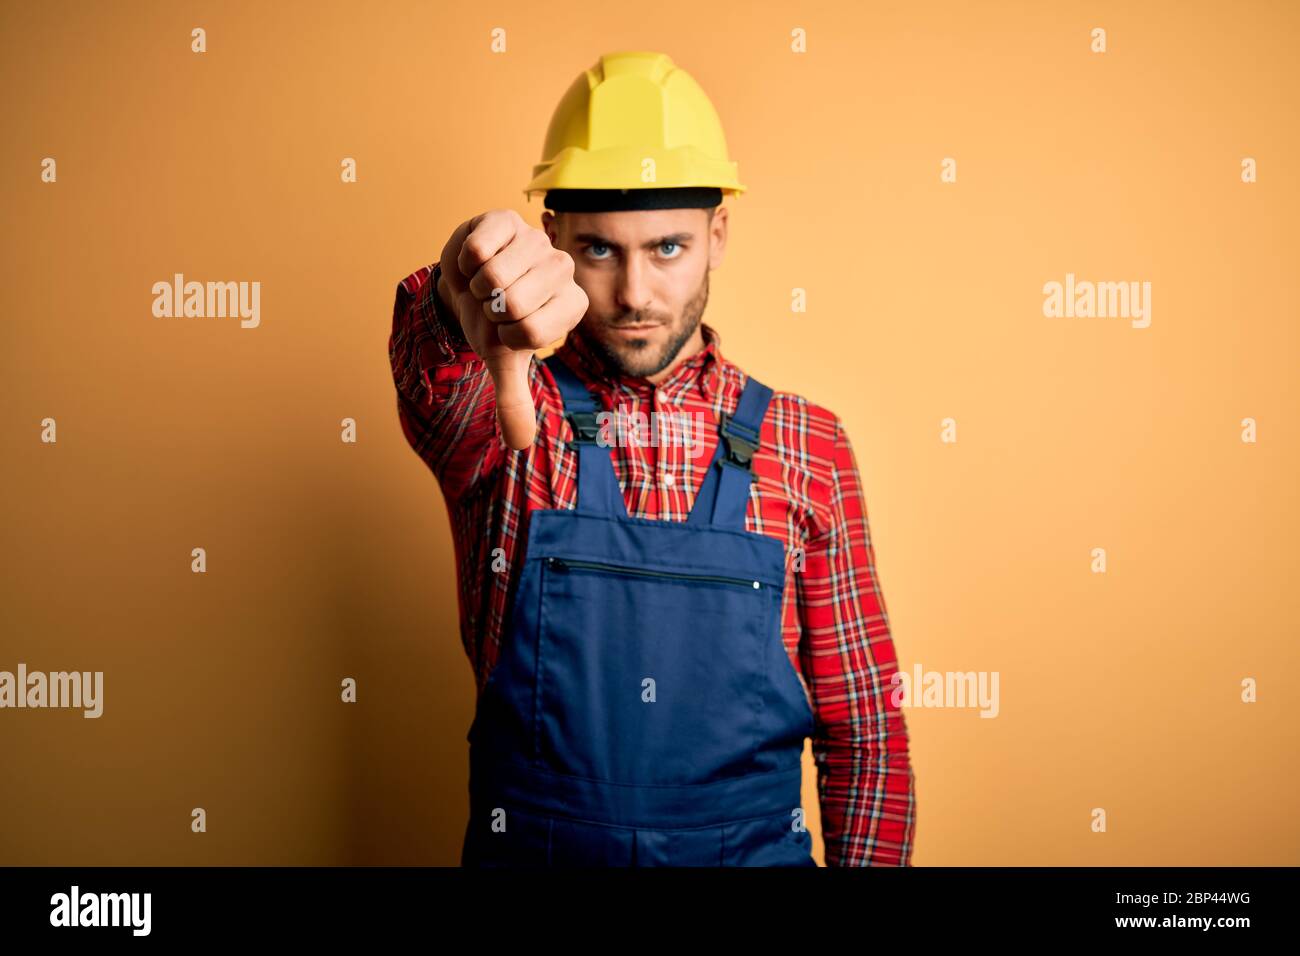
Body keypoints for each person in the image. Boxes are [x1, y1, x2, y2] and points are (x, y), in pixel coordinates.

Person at [388, 50, 916, 866]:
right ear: (553, 238)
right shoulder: (504, 421)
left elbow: (864, 731)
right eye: (599, 250)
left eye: (667, 248)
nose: (634, 293)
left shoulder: (809, 446)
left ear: (718, 235)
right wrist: (459, 293)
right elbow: (434, 369)